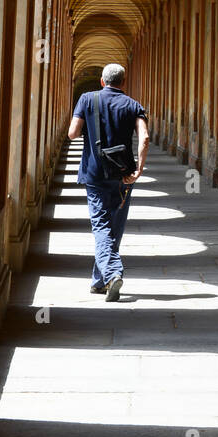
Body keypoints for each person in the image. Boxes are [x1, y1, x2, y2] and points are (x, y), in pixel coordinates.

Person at [67, 62, 149, 302]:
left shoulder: (86, 99)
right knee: (115, 226)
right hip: (124, 174)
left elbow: (72, 133)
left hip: (94, 173)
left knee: (101, 225)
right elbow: (143, 138)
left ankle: (112, 273)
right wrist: (139, 169)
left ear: (102, 81)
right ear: (123, 83)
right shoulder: (133, 105)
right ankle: (99, 280)